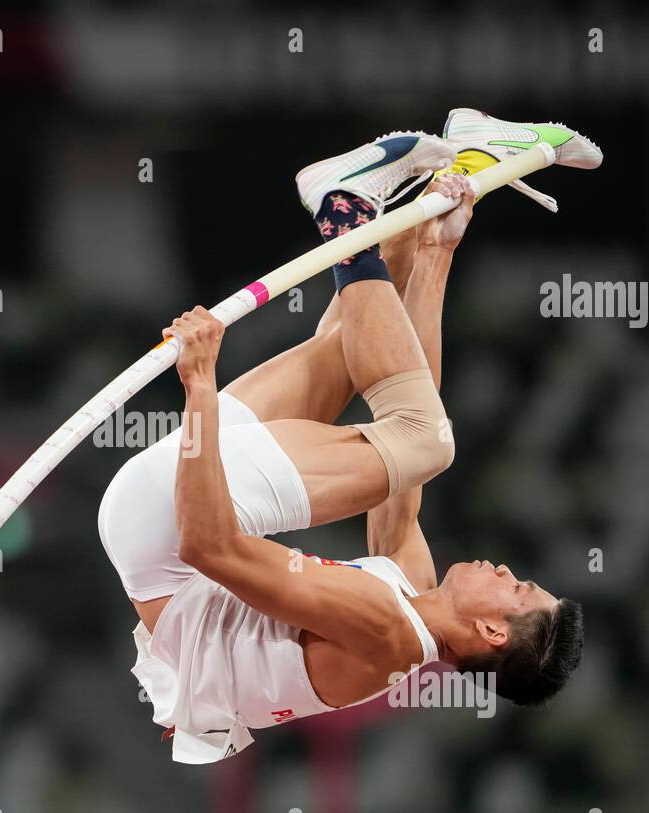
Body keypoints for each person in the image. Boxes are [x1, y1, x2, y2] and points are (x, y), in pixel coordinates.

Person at [98, 114, 599, 762]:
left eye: (518, 589)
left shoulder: (383, 628)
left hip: (173, 526)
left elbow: (209, 544)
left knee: (428, 442)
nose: (508, 571)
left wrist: (197, 390)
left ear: (489, 631)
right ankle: (454, 176)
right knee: (356, 356)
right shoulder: (409, 589)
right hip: (159, 519)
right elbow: (404, 399)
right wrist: (436, 255)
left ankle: (343, 206)